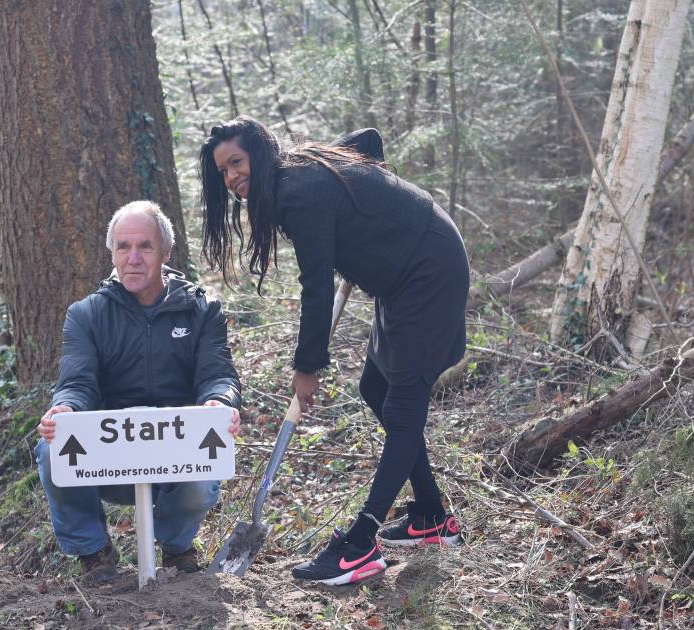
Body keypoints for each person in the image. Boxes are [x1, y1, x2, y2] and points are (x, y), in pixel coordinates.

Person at [199, 117, 468, 586]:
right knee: (374, 387)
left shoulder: (299, 193)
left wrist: (307, 366)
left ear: (259, 154)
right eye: (223, 170)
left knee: (404, 406)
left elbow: (316, 287)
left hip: (428, 268)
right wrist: (363, 211)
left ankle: (360, 546)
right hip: (402, 277)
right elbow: (368, 141)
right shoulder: (300, 171)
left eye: (236, 163)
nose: (231, 177)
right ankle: (430, 516)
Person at [36, 200, 242, 584]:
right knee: (52, 448)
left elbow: (218, 374)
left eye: (144, 247)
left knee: (209, 443)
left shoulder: (203, 310)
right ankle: (94, 554)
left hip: (175, 454)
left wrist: (220, 402)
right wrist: (64, 408)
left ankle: (177, 547)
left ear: (165, 252)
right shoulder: (86, 315)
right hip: (109, 455)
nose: (133, 258)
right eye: (123, 247)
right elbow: (77, 382)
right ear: (112, 254)